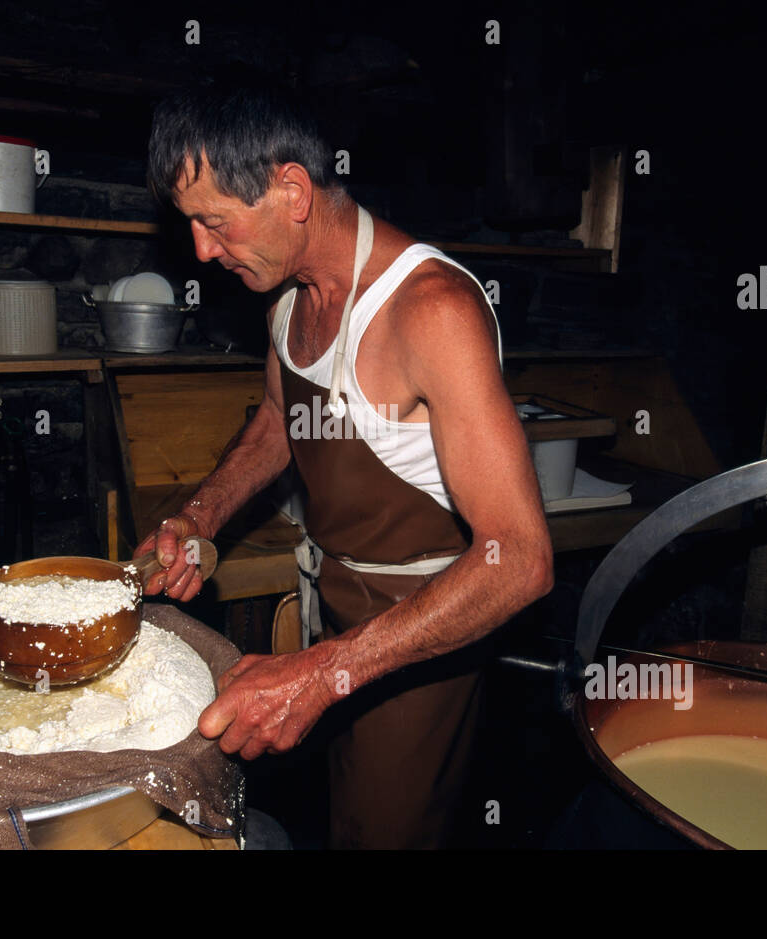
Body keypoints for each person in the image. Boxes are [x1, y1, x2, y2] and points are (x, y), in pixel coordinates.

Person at [135, 78, 553, 848]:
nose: (199, 251)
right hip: (330, 613)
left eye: (214, 222)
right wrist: (196, 519)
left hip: (420, 645)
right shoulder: (287, 300)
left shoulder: (431, 311)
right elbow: (276, 425)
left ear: (292, 190)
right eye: (190, 225)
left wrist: (324, 673)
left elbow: (519, 561)